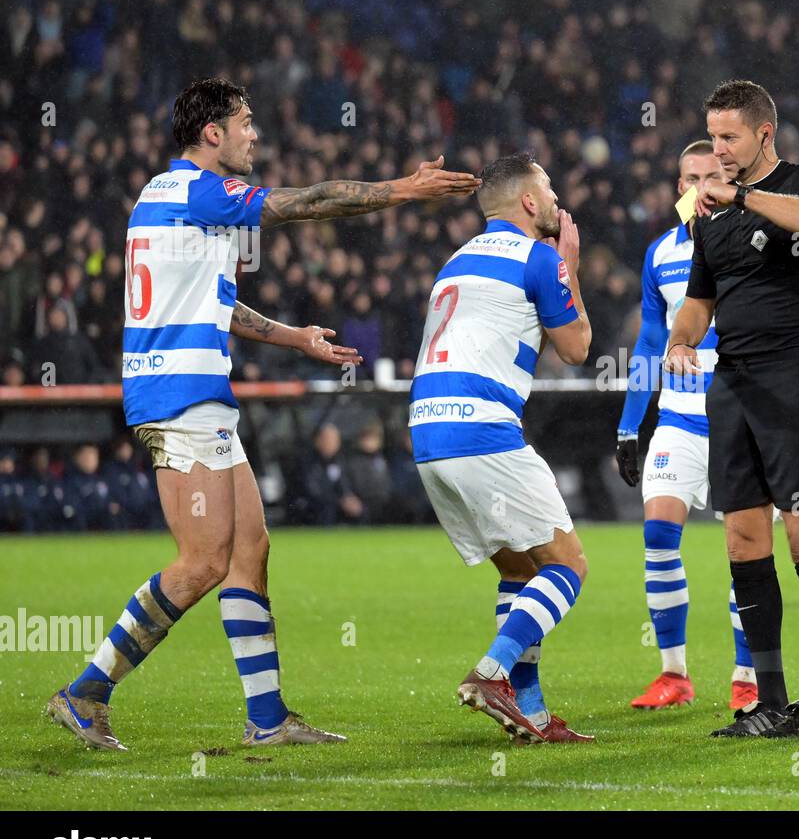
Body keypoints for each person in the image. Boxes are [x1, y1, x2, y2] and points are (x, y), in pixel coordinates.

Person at [46, 77, 480, 751]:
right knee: (200, 562)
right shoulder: (198, 189)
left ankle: (267, 717)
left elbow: (216, 305)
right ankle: (86, 691)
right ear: (211, 133)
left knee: (249, 549)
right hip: (179, 397)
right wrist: (404, 189)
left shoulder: (174, 199)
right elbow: (306, 202)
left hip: (196, 392)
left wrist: (294, 337)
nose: (256, 134)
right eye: (245, 122)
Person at [666, 80, 799, 738]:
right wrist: (681, 340)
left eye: (730, 137)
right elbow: (699, 299)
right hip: (734, 383)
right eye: (713, 137)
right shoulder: (707, 217)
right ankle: (769, 701)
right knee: (743, 538)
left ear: (764, 134)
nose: (719, 149)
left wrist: (739, 194)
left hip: (796, 376)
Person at [409, 152, 594, 744]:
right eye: (549, 187)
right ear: (530, 203)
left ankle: (531, 715)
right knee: (567, 565)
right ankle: (492, 675)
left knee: (520, 570)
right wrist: (569, 266)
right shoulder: (539, 257)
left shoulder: (455, 261)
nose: (558, 199)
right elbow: (577, 348)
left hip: (427, 432)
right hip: (481, 428)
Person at [615, 140, 757, 711]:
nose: (702, 184)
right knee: (657, 537)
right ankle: (674, 674)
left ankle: (747, 677)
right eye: (691, 176)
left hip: (741, 419)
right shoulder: (659, 255)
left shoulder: (751, 241)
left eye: (713, 173)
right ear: (680, 186)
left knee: (745, 550)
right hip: (677, 418)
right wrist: (630, 426)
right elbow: (651, 343)